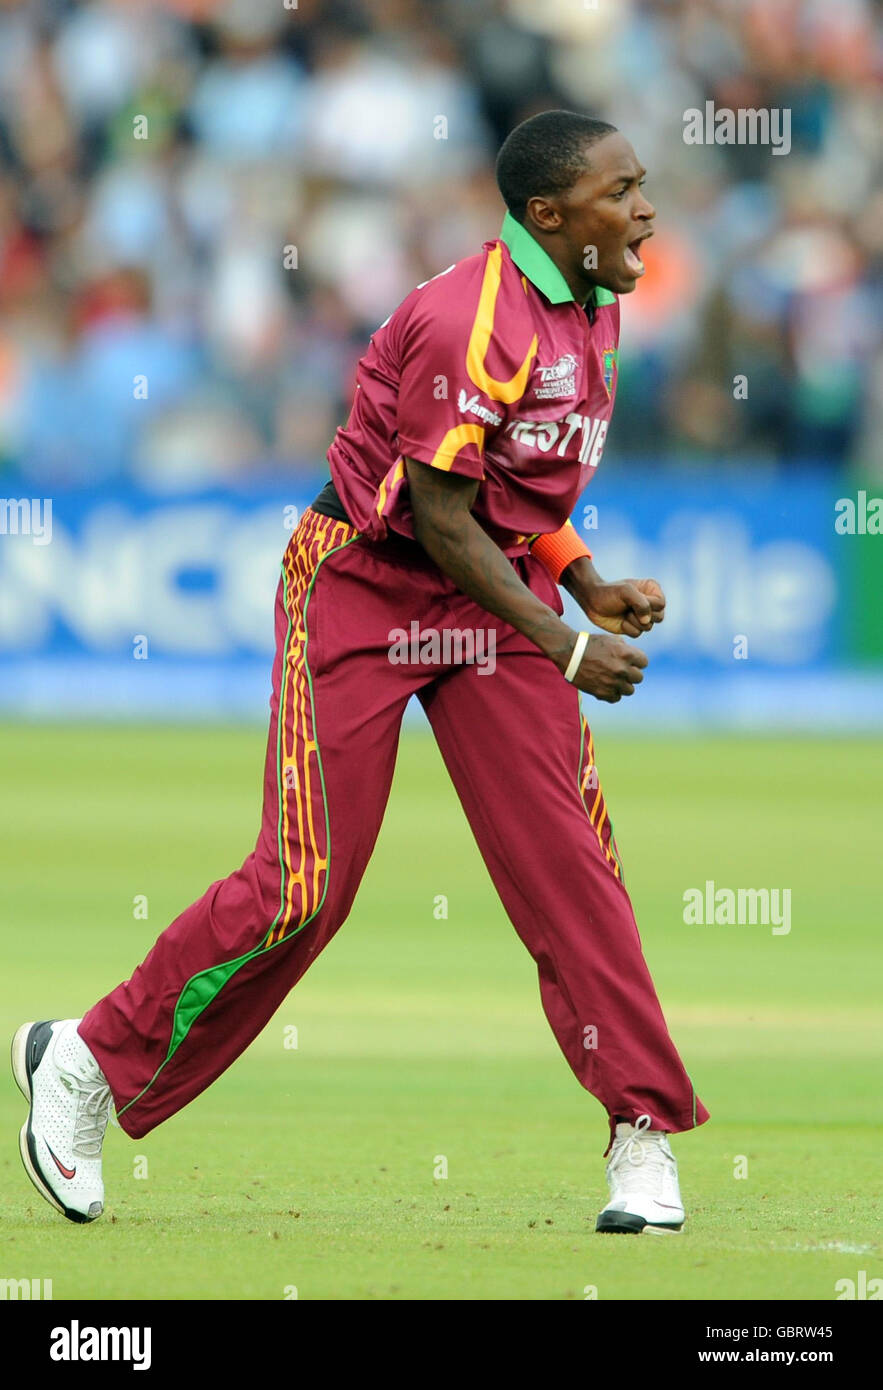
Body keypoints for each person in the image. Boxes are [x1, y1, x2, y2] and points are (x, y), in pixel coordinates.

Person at [13, 110, 708, 1237]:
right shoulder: (466, 318)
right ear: (546, 214)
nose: (644, 209)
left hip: (490, 592)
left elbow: (516, 492)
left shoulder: (599, 302)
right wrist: (564, 640)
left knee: (566, 863)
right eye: (621, 190)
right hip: (366, 580)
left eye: (640, 186)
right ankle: (85, 1062)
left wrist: (579, 578)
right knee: (302, 887)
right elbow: (439, 517)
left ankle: (643, 1129)